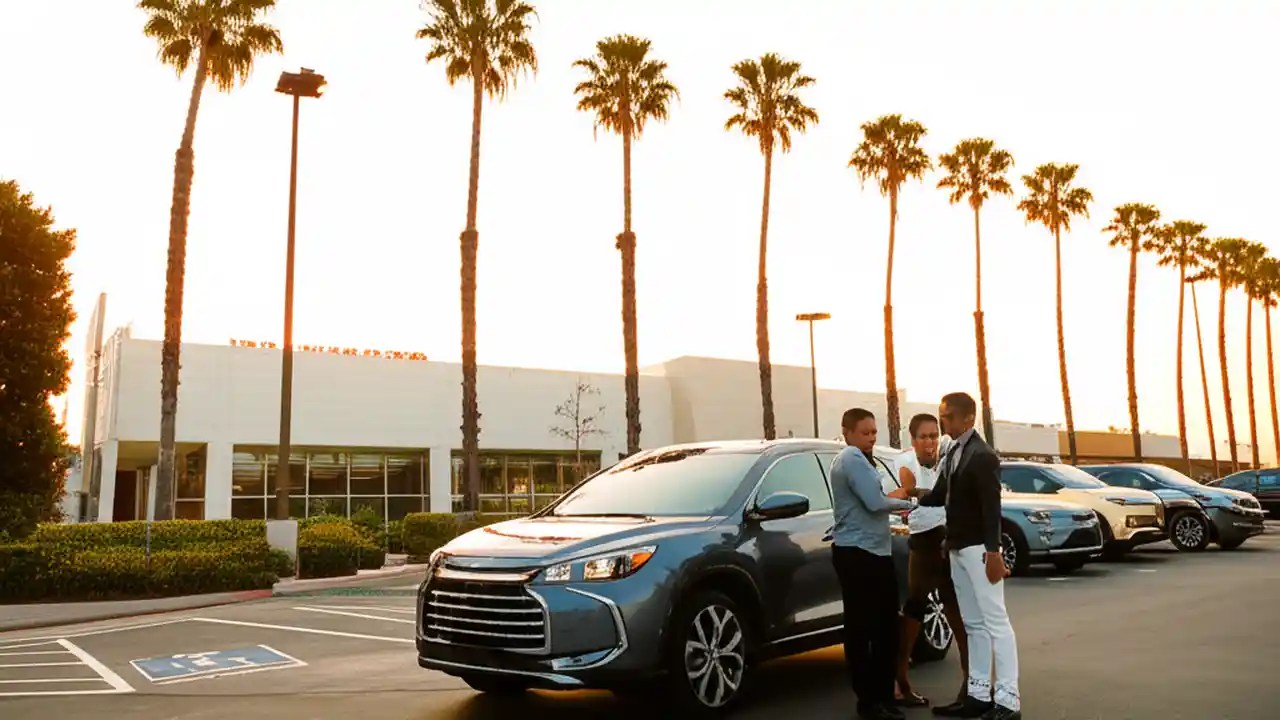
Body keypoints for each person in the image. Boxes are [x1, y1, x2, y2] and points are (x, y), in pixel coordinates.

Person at [913, 392, 1021, 720]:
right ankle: (977, 695)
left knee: (996, 622)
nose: (941, 420)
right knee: (973, 623)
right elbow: (936, 496)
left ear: (968, 419)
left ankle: (1008, 701)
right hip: (957, 548)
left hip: (978, 550)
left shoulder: (982, 455)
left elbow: (992, 509)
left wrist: (994, 552)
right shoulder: (954, 451)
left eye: (946, 416)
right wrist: (905, 497)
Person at [829, 408, 916, 720]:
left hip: (872, 552)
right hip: (859, 554)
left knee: (882, 628)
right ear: (848, 433)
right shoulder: (851, 457)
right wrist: (912, 502)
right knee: (867, 629)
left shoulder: (862, 460)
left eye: (874, 432)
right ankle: (871, 702)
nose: (871, 438)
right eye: (865, 433)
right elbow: (876, 502)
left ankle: (881, 697)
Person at [892, 414, 969, 710]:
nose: (930, 442)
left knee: (956, 614)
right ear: (912, 440)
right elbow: (909, 487)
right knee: (914, 609)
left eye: (934, 436)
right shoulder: (906, 462)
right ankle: (902, 682)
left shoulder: (949, 457)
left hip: (948, 540)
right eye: (923, 437)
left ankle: (969, 686)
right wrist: (919, 492)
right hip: (923, 542)